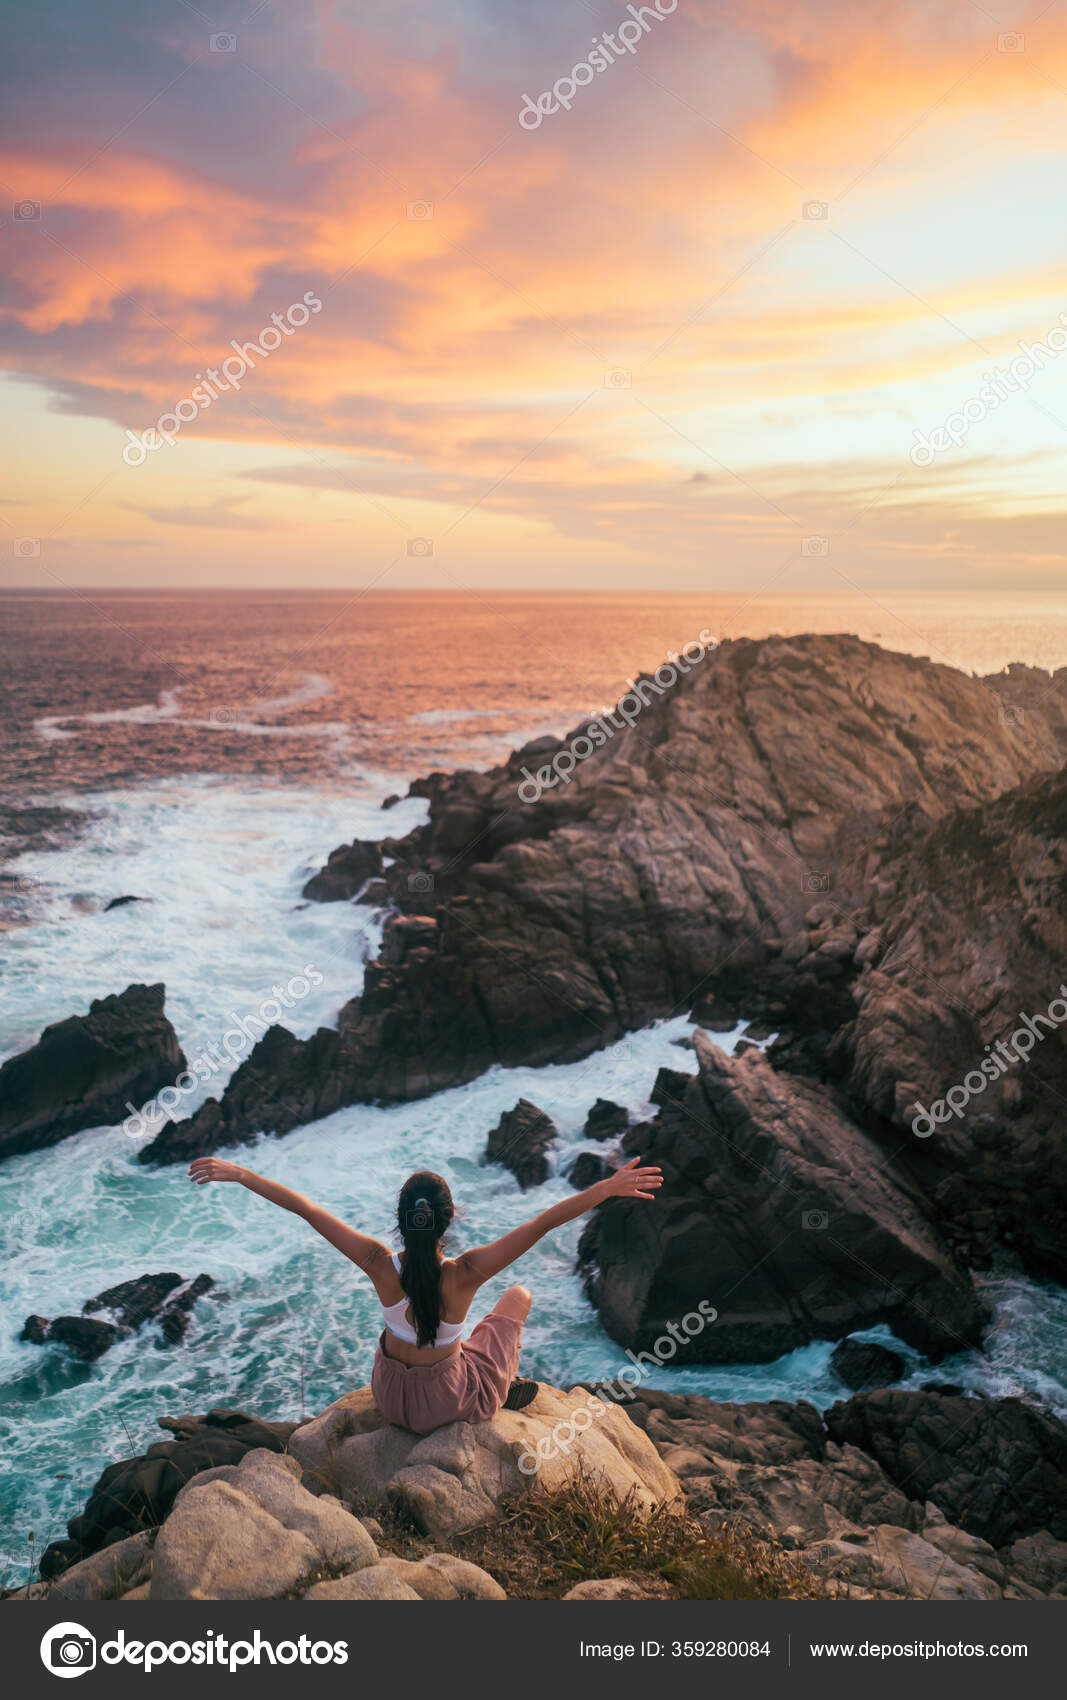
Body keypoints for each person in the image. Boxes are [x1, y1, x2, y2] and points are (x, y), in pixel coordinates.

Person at [188, 1154, 662, 1434]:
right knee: (517, 1297)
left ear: (400, 1219)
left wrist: (242, 1174)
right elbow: (542, 1223)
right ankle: (496, 1386)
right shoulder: (467, 1273)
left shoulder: (377, 1263)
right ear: (449, 1218)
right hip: (446, 1403)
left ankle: (474, 1367)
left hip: (390, 1397)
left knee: (455, 1345)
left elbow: (308, 1210)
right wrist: (605, 1188)